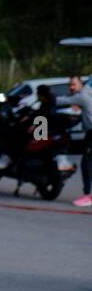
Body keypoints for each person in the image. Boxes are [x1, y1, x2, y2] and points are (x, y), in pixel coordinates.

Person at [55, 74, 92, 207]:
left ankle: (87, 195)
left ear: (81, 85)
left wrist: (45, 97)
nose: (71, 87)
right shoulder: (87, 92)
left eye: (74, 84)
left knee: (86, 163)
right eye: (69, 85)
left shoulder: (81, 96)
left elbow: (60, 101)